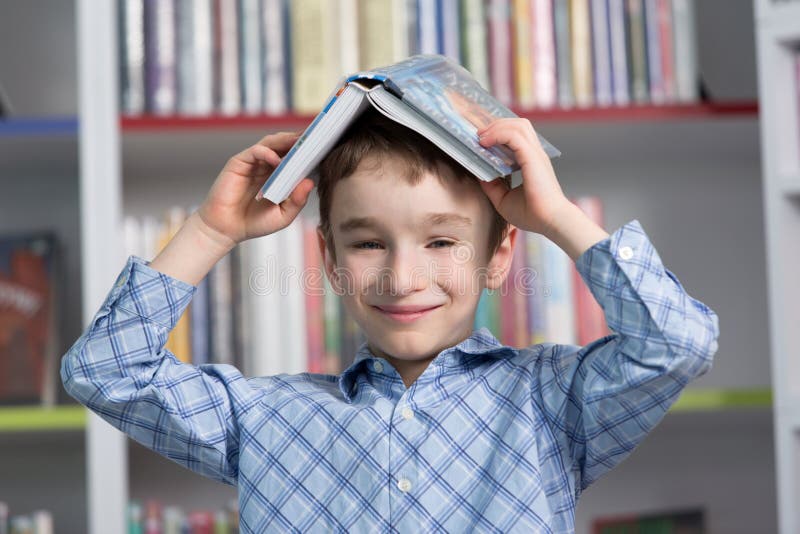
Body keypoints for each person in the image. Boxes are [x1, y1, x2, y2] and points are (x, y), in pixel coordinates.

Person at [61, 109, 719, 532]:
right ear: (331, 258)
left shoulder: (552, 402)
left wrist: (555, 216)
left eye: (441, 242)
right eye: (368, 242)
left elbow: (677, 343)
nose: (402, 278)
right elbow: (105, 371)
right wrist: (210, 230)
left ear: (498, 256)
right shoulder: (265, 417)